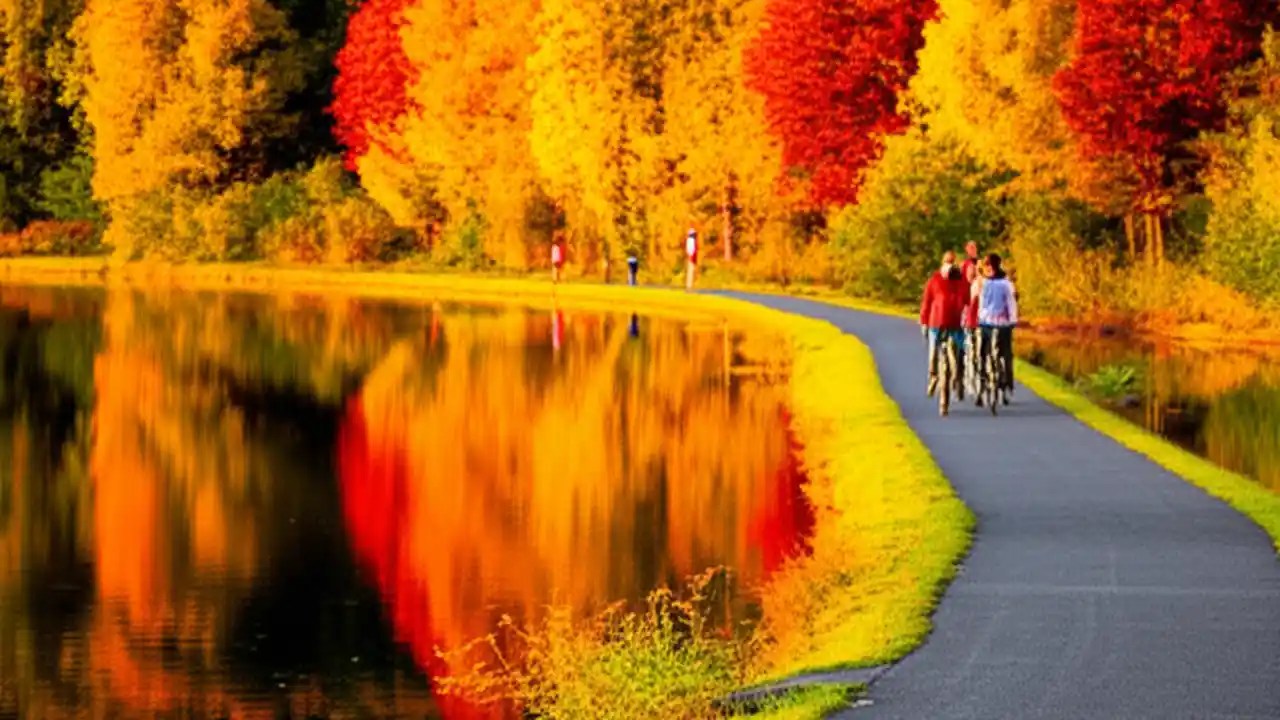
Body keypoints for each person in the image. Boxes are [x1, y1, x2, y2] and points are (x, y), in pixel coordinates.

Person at [919, 250, 969, 401]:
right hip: (936, 322)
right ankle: (934, 376)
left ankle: (958, 378)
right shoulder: (934, 280)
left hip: (956, 323)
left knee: (960, 352)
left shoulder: (961, 281)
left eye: (952, 262)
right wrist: (924, 321)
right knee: (933, 351)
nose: (949, 265)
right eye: (947, 262)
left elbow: (968, 300)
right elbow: (927, 302)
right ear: (943, 264)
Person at [978, 253, 1018, 400]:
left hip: (1003, 323)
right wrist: (980, 317)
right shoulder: (984, 283)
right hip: (986, 322)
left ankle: (1007, 381)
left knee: (1006, 353)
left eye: (989, 265)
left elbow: (1011, 302)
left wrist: (1013, 319)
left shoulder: (1006, 283)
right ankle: (982, 379)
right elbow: (982, 303)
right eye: (986, 266)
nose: (988, 268)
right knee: (983, 352)